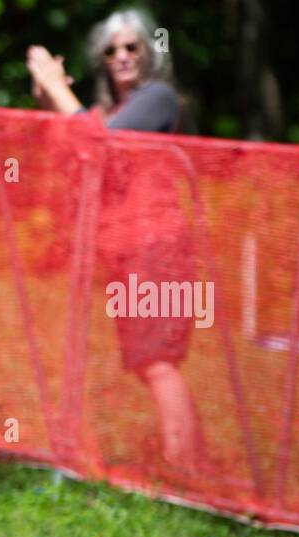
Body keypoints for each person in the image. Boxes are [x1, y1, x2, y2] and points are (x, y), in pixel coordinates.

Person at [28, 8, 204, 476]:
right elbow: (78, 148)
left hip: (159, 249)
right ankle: (191, 462)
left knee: (156, 361)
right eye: (111, 50)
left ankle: (182, 475)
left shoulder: (159, 98)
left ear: (150, 51)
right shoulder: (112, 110)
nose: (122, 56)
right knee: (149, 361)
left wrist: (60, 92)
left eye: (132, 46)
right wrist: (50, 97)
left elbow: (101, 142)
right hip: (128, 252)